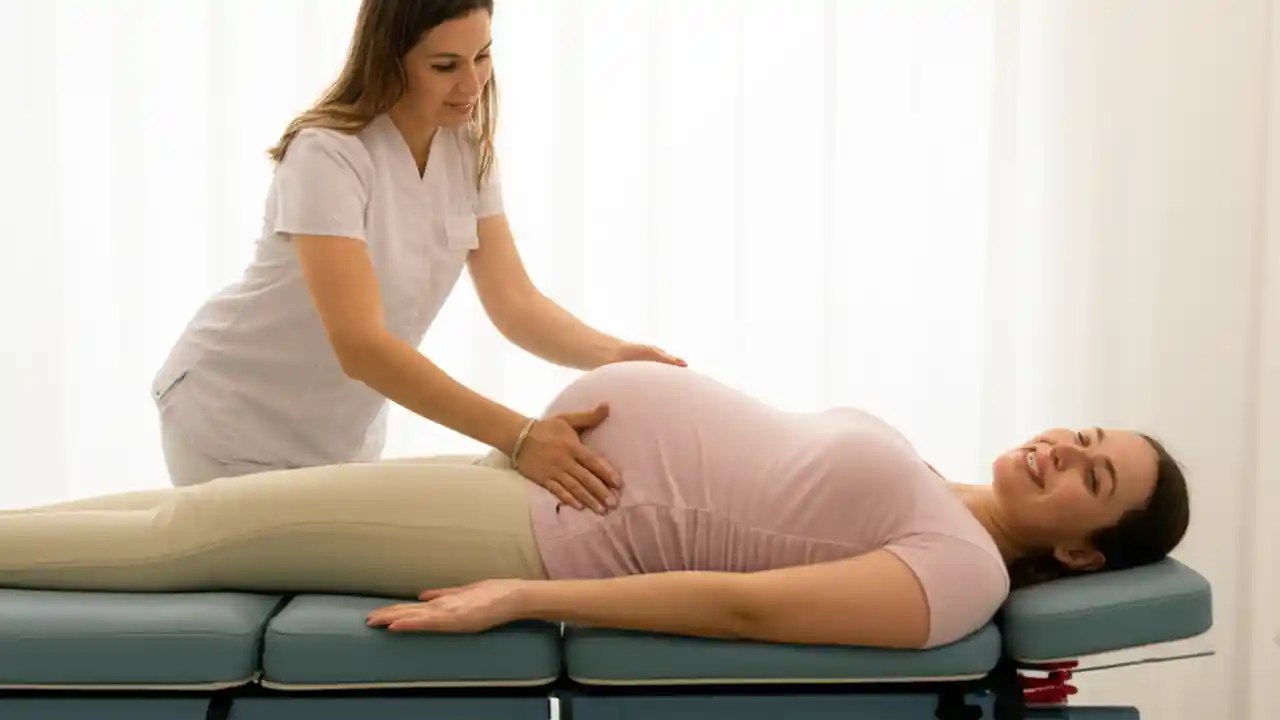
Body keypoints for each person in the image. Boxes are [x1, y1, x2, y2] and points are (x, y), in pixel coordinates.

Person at [2, 361, 1189, 650]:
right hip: (521, 486)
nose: (1060, 452)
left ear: (1085, 553)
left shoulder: (960, 574)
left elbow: (748, 608)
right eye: (1078, 435)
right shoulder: (935, 486)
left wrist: (529, 594)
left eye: (1091, 476)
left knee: (188, 534)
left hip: (538, 535)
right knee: (160, 515)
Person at [149, 0, 683, 512]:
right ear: (389, 61)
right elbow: (361, 346)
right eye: (445, 65)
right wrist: (520, 438)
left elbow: (514, 302)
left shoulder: (466, 149)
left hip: (338, 440)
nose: (472, 84)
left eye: (483, 56)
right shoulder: (328, 155)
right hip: (232, 420)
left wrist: (614, 356)